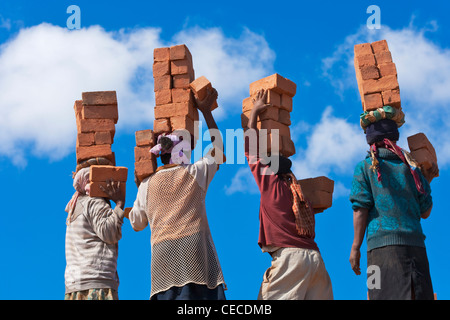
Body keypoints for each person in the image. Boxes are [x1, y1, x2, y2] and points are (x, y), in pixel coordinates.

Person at [128, 88, 226, 300]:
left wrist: (138, 188)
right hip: (195, 255)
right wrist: (207, 112)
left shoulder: (146, 185)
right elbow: (218, 149)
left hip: (163, 262)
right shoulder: (194, 172)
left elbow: (136, 223)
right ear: (183, 152)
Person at [244, 89, 333, 300]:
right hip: (317, 263)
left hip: (291, 261)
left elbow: (250, 150)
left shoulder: (271, 186)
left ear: (271, 170)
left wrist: (254, 114)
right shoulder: (300, 197)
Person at [349, 118, 438, 300]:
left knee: (377, 294)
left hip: (380, 251)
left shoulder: (365, 167)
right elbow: (425, 211)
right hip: (416, 249)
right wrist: (427, 181)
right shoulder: (412, 169)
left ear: (370, 140)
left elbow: (360, 209)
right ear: (394, 138)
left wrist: (355, 247)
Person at [64, 165, 126, 300]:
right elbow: (110, 233)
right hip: (96, 284)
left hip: (75, 286)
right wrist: (120, 204)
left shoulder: (74, 205)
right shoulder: (94, 201)